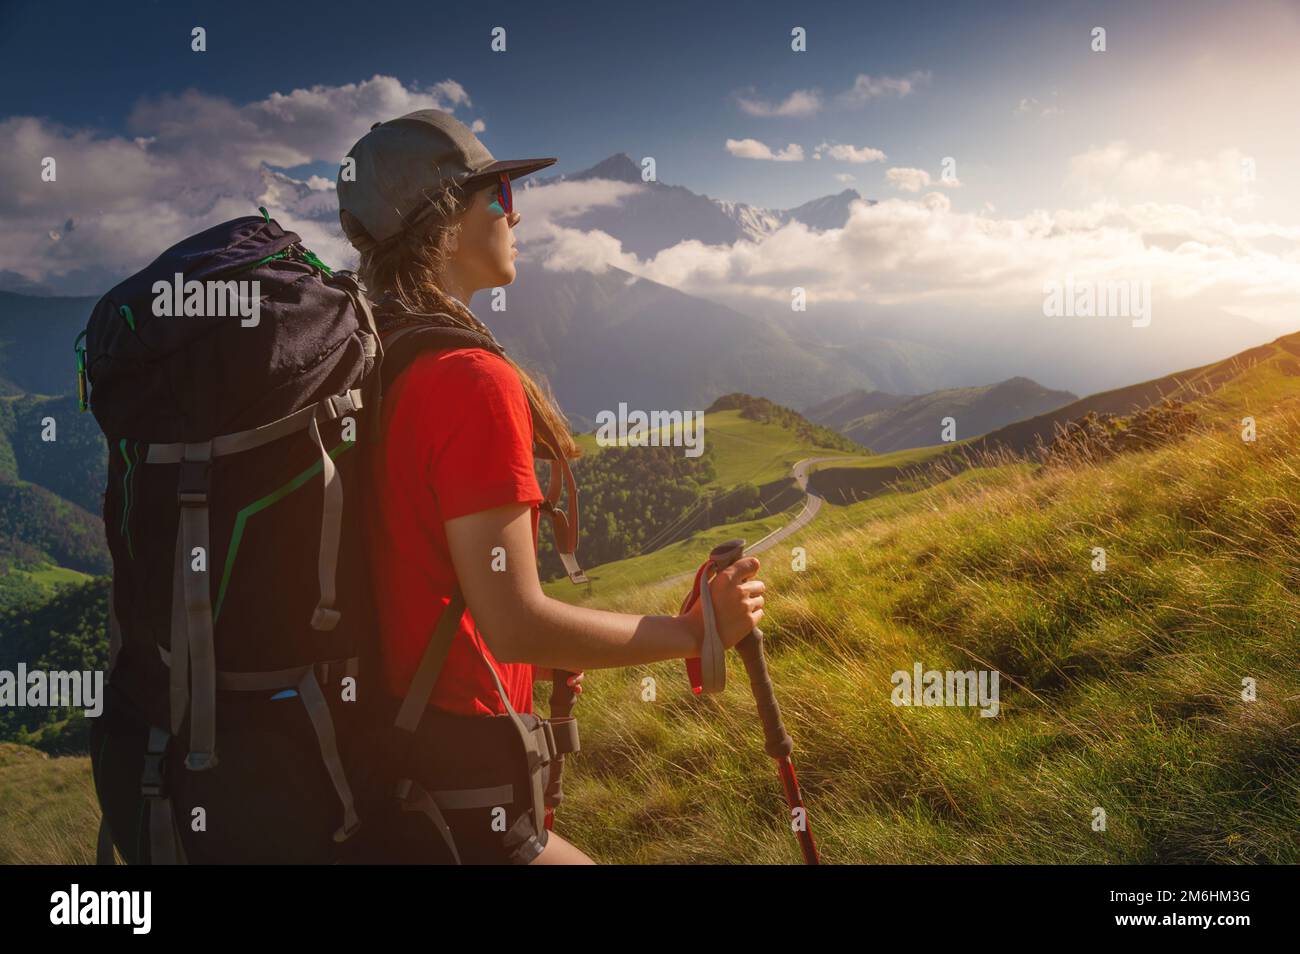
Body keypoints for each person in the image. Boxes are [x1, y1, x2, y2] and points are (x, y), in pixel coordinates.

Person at [337, 110, 765, 864]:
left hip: (374, 745)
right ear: (444, 222)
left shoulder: (371, 359)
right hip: (458, 760)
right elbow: (514, 623)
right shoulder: (468, 380)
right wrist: (697, 632)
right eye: (498, 194)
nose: (516, 211)